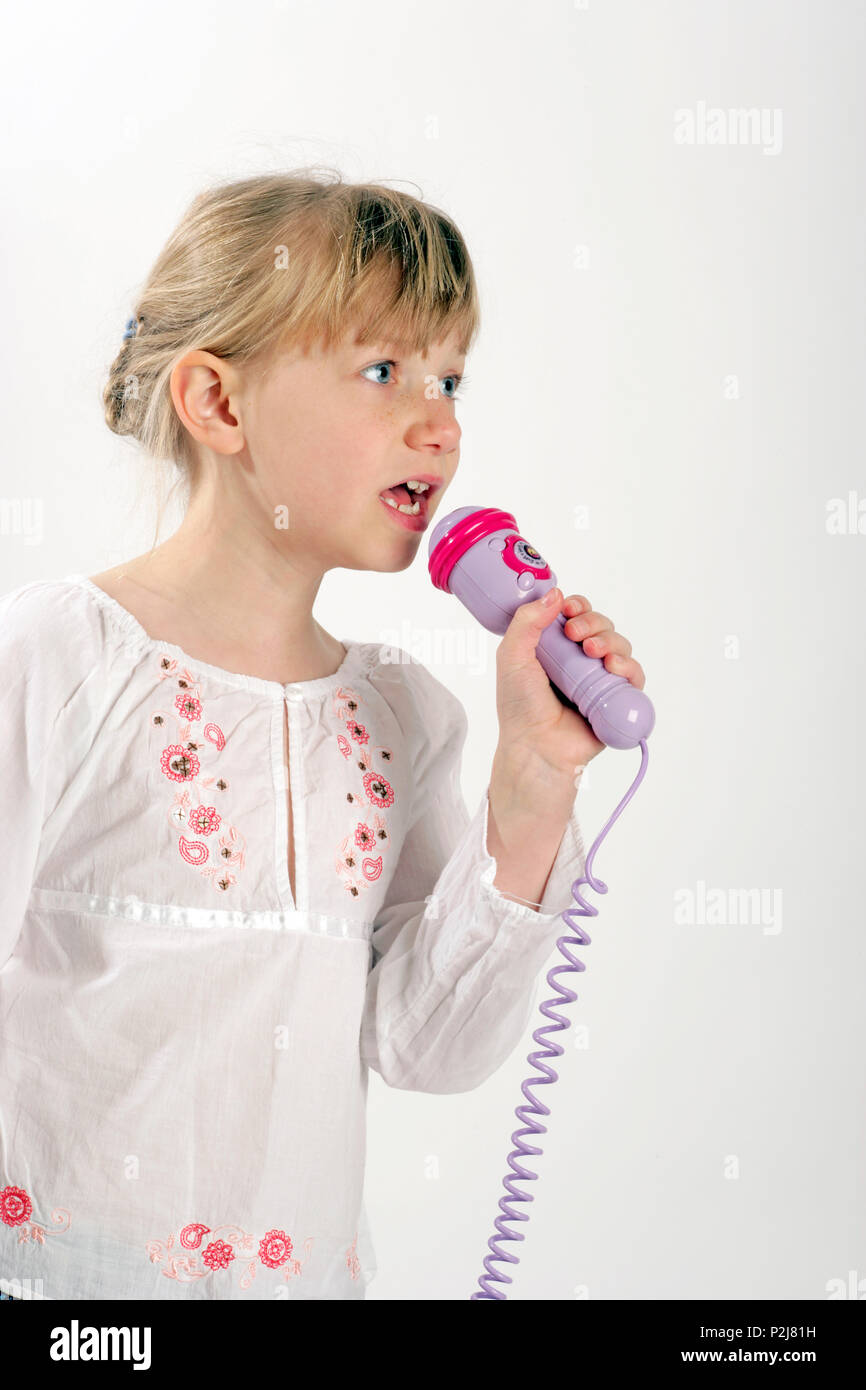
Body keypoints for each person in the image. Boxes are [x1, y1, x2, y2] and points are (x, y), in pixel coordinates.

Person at [0, 170, 645, 1301]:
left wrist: (531, 786)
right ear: (221, 404)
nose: (437, 421)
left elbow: (425, 1047)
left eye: (450, 376)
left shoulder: (397, 717)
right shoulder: (60, 658)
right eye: (383, 369)